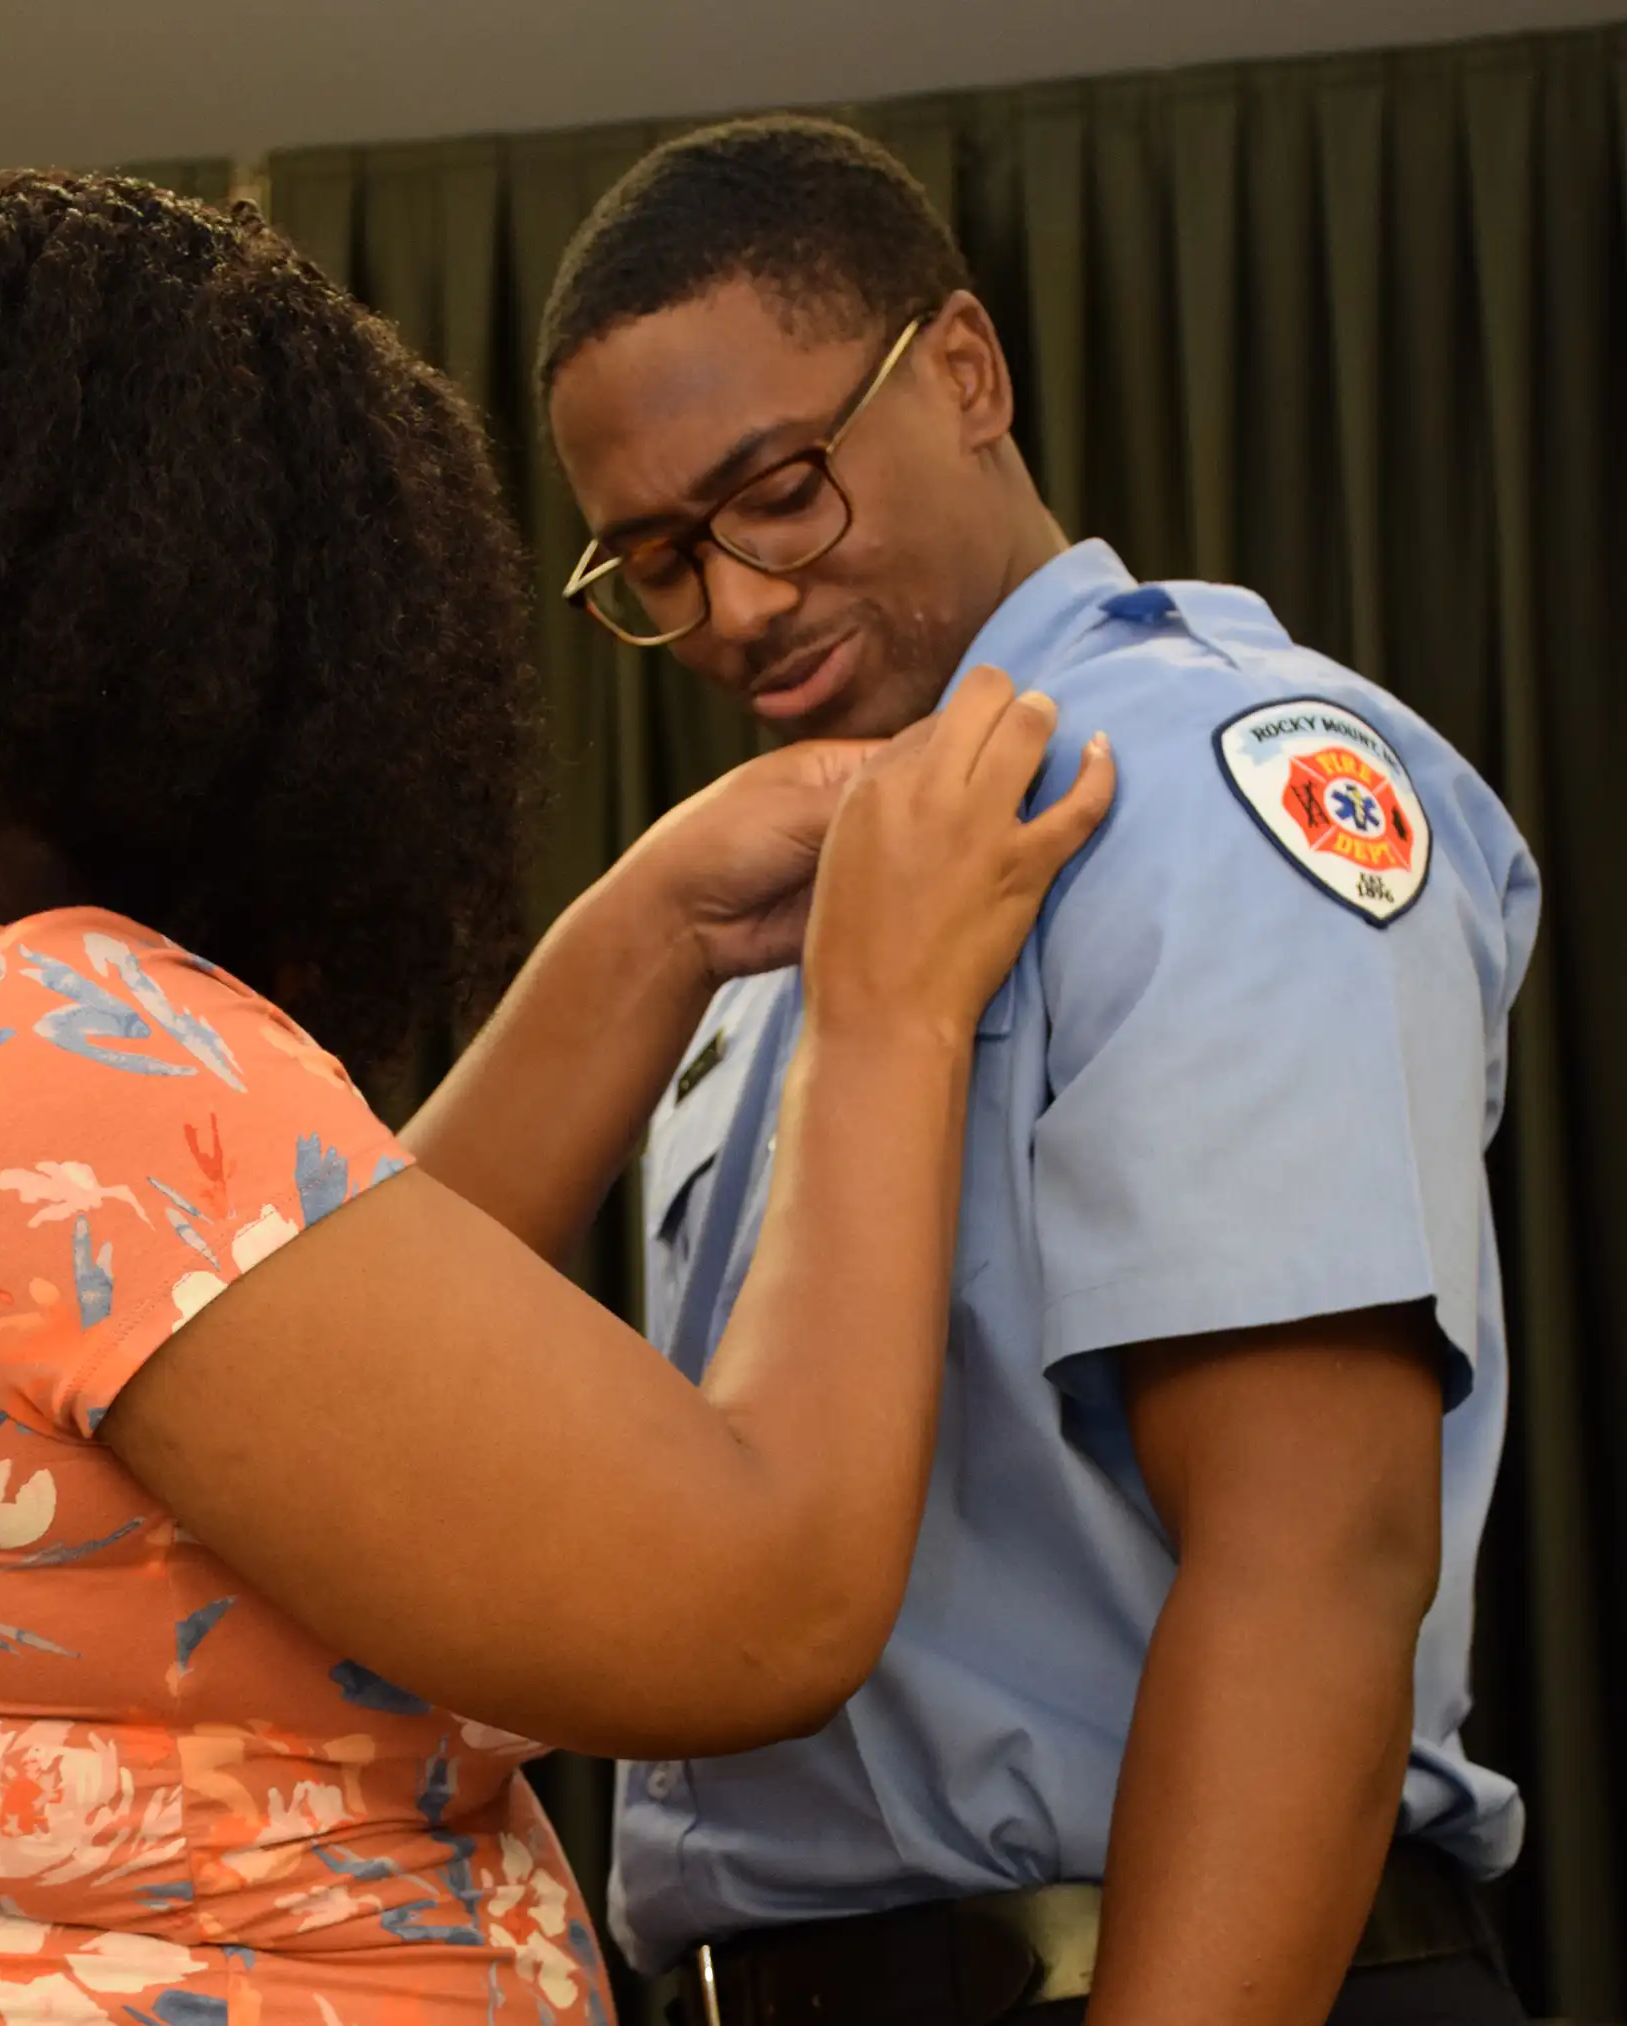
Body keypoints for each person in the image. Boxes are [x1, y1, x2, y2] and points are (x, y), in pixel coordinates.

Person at [0, 170, 1111, 2024]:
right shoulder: (34, 1038)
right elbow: (765, 1598)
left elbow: (270, 1364)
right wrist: (890, 1008)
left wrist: (640, 935)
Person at [540, 116, 1540, 2026]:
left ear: (969, 373)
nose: (735, 607)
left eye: (779, 492)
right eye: (659, 560)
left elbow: (1315, 1565)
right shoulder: (779, 892)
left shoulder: (1187, 788)